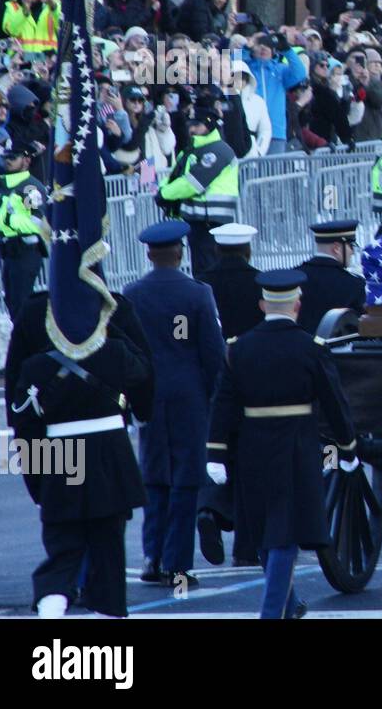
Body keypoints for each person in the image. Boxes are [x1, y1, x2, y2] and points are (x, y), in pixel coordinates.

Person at [207, 269, 360, 620]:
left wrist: (215, 452)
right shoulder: (311, 348)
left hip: (251, 447)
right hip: (295, 448)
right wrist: (348, 447)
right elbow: (335, 403)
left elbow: (223, 403)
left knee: (265, 532)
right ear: (297, 304)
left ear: (263, 305)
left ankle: (289, 606)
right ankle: (272, 613)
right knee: (284, 536)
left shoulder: (238, 349)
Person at [12, 331, 153, 618]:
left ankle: (52, 601)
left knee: (63, 546)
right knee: (109, 548)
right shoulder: (115, 353)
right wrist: (110, 328)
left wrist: (39, 485)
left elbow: (26, 432)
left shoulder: (35, 366)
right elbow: (144, 372)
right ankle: (109, 611)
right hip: (109, 459)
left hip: (61, 458)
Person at [123, 220, 225, 589]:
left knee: (155, 478)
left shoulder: (132, 293)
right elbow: (213, 353)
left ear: (149, 254)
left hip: (147, 394)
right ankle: (177, 566)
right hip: (188, 398)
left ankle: (152, 557)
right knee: (185, 481)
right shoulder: (198, 294)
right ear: (180, 252)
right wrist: (213, 395)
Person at [194, 221, 262, 567]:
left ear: (217, 249)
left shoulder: (201, 284)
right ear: (247, 250)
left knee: (217, 449)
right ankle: (246, 548)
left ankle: (209, 508)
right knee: (249, 461)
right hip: (252, 378)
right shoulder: (259, 285)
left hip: (214, 378)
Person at [156, 106, 239, 274]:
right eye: (190, 124)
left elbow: (193, 183)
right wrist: (163, 188)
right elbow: (176, 177)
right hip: (197, 222)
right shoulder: (192, 150)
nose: (192, 129)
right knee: (202, 271)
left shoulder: (217, 151)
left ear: (210, 126)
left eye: (197, 125)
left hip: (212, 223)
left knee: (209, 273)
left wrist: (164, 194)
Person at [0, 142, 47, 320]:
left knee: (22, 304)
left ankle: (29, 345)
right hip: (9, 251)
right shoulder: (5, 186)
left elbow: (37, 222)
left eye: (13, 157)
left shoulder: (29, 187)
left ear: (26, 160)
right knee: (12, 303)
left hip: (26, 251)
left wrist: (8, 221)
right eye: (5, 157)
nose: (7, 161)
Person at [295, 219, 365, 338]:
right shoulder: (354, 284)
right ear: (337, 248)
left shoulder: (293, 278)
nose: (352, 252)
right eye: (351, 246)